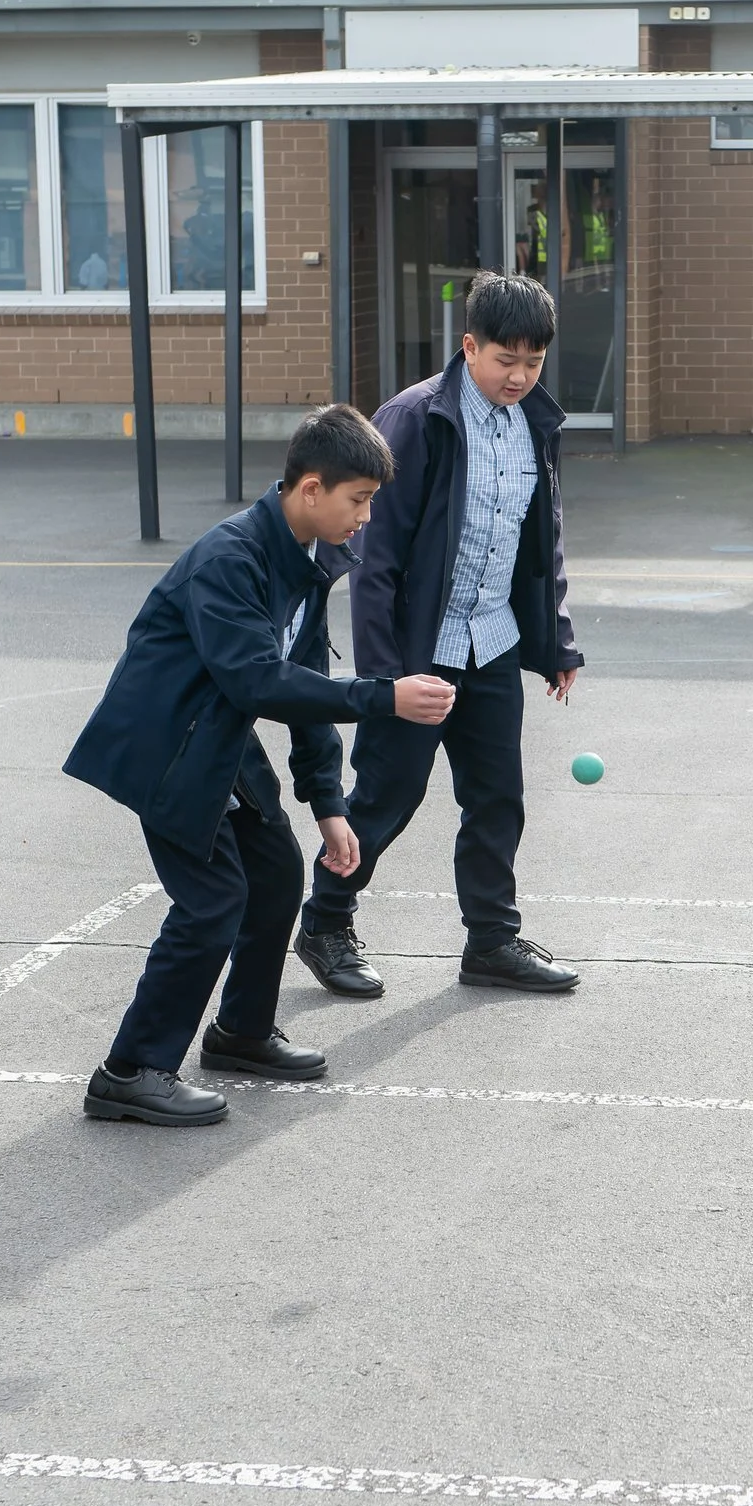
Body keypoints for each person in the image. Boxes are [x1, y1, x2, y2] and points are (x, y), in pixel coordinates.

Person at [64, 406, 456, 1127]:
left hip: (219, 738)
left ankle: (241, 1033)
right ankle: (129, 1069)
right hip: (166, 746)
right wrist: (384, 698)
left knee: (276, 875)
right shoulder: (230, 558)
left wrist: (329, 804)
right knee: (212, 900)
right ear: (311, 488)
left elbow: (305, 678)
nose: (366, 518)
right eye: (358, 499)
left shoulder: (311, 559)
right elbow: (257, 682)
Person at [294, 271, 587, 1001]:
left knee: (498, 797)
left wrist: (556, 641)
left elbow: (538, 539)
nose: (519, 376)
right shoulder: (416, 418)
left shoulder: (535, 424)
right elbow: (374, 556)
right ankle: (325, 922)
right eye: (504, 360)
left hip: (491, 642)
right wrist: (385, 680)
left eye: (534, 362)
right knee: (386, 798)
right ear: (468, 346)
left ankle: (491, 939)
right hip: (419, 654)